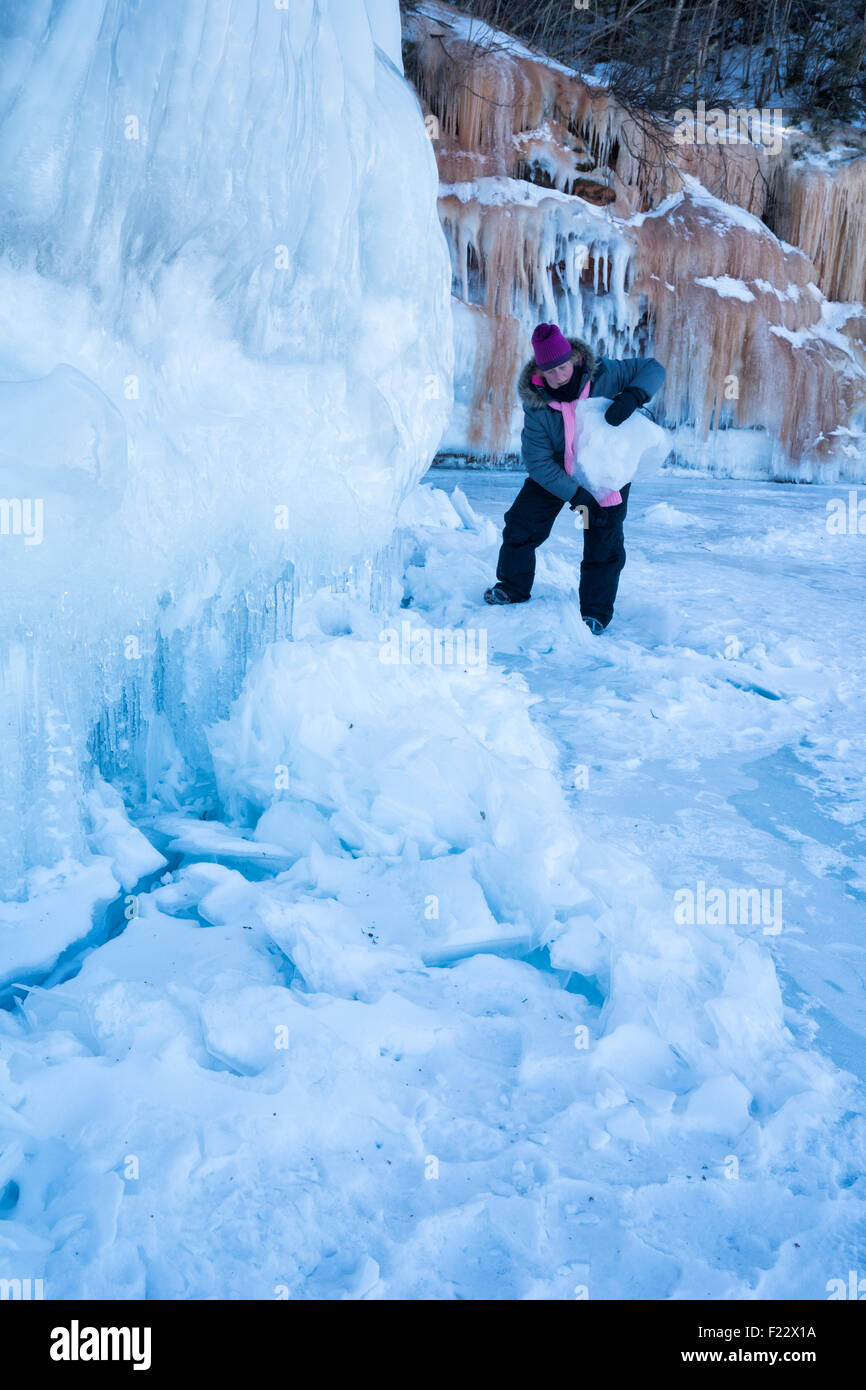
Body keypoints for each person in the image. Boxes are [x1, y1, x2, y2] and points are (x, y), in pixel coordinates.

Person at [484, 323, 665, 633]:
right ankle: (512, 587)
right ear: (541, 371)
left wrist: (633, 396)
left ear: (575, 359)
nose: (558, 376)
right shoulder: (536, 403)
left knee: (604, 541)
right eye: (550, 370)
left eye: (563, 366)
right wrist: (577, 496)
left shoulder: (606, 373)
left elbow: (653, 368)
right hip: (558, 470)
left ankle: (594, 613)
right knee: (520, 525)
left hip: (604, 469)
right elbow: (538, 462)